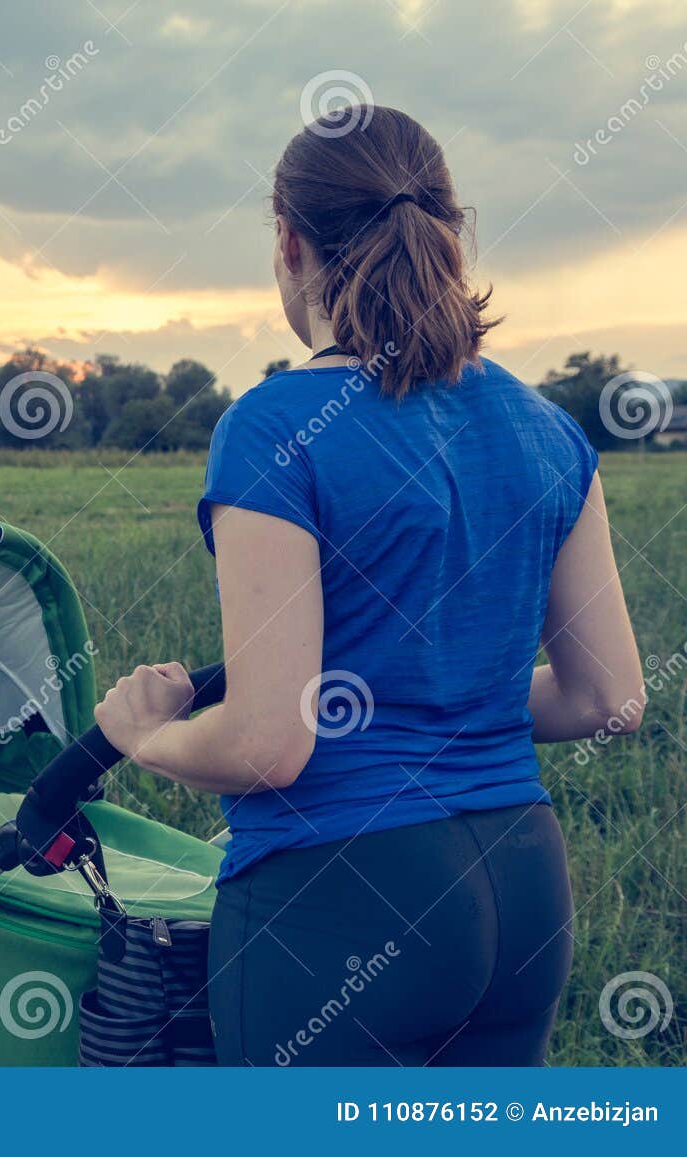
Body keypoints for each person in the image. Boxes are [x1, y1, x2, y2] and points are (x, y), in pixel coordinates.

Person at [90, 105, 644, 1066]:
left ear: (290, 244)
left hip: (340, 898)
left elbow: (268, 743)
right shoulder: (547, 428)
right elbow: (610, 697)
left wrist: (146, 736)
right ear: (447, 232)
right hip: (522, 885)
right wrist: (428, 697)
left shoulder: (272, 427)